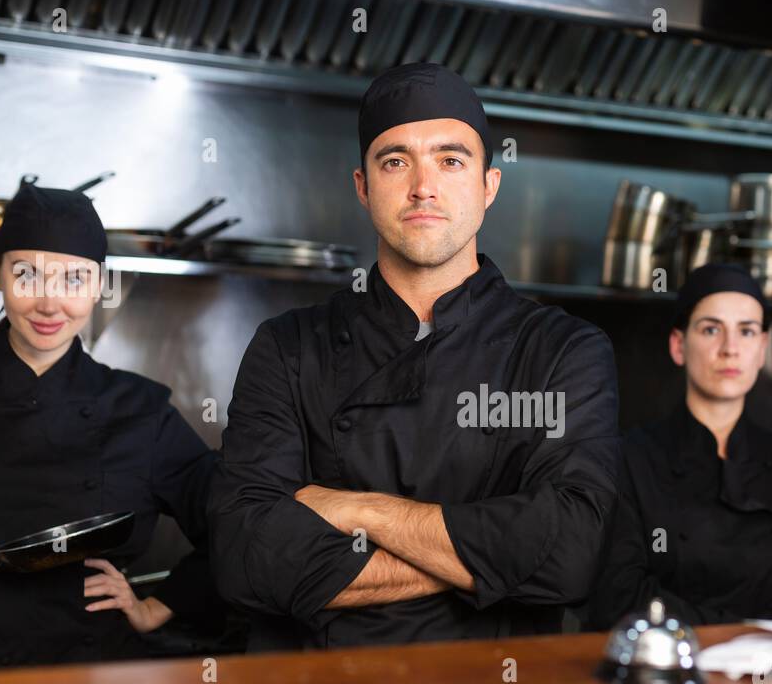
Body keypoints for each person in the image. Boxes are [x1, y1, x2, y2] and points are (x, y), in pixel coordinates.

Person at [208, 62, 621, 649]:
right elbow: (245, 555)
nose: (423, 186)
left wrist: (365, 513)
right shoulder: (289, 346)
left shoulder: (562, 350)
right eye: (396, 161)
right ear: (363, 186)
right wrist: (491, 559)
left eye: (451, 161)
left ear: (489, 187)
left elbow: (570, 553)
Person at [0, 183, 222, 667]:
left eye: (75, 279)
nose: (50, 304)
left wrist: (157, 607)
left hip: (93, 682)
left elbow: (235, 519)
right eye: (27, 275)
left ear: (99, 284)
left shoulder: (142, 411)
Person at [591, 264, 772, 628]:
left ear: (762, 349)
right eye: (710, 329)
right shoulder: (628, 460)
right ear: (679, 346)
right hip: (668, 660)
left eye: (746, 331)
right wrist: (749, 630)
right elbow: (619, 599)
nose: (730, 349)